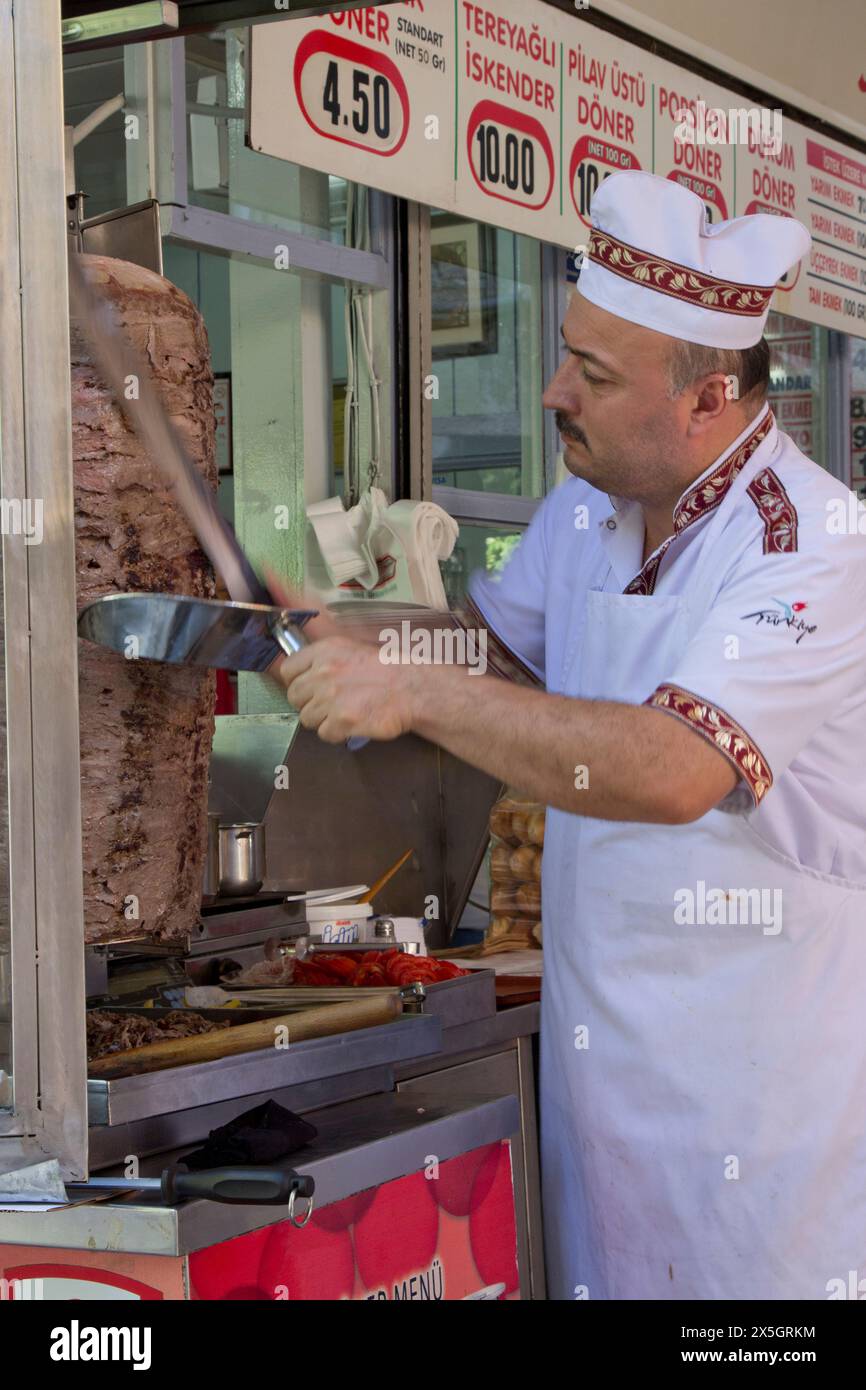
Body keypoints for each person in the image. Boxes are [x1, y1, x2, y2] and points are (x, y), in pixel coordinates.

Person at [274, 171, 866, 1300]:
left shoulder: (813, 549)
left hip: (768, 1137)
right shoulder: (584, 508)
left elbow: (675, 768)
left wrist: (413, 691)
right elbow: (491, 661)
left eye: (590, 374)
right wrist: (334, 630)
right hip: (607, 1110)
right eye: (562, 353)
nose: (552, 392)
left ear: (705, 396)